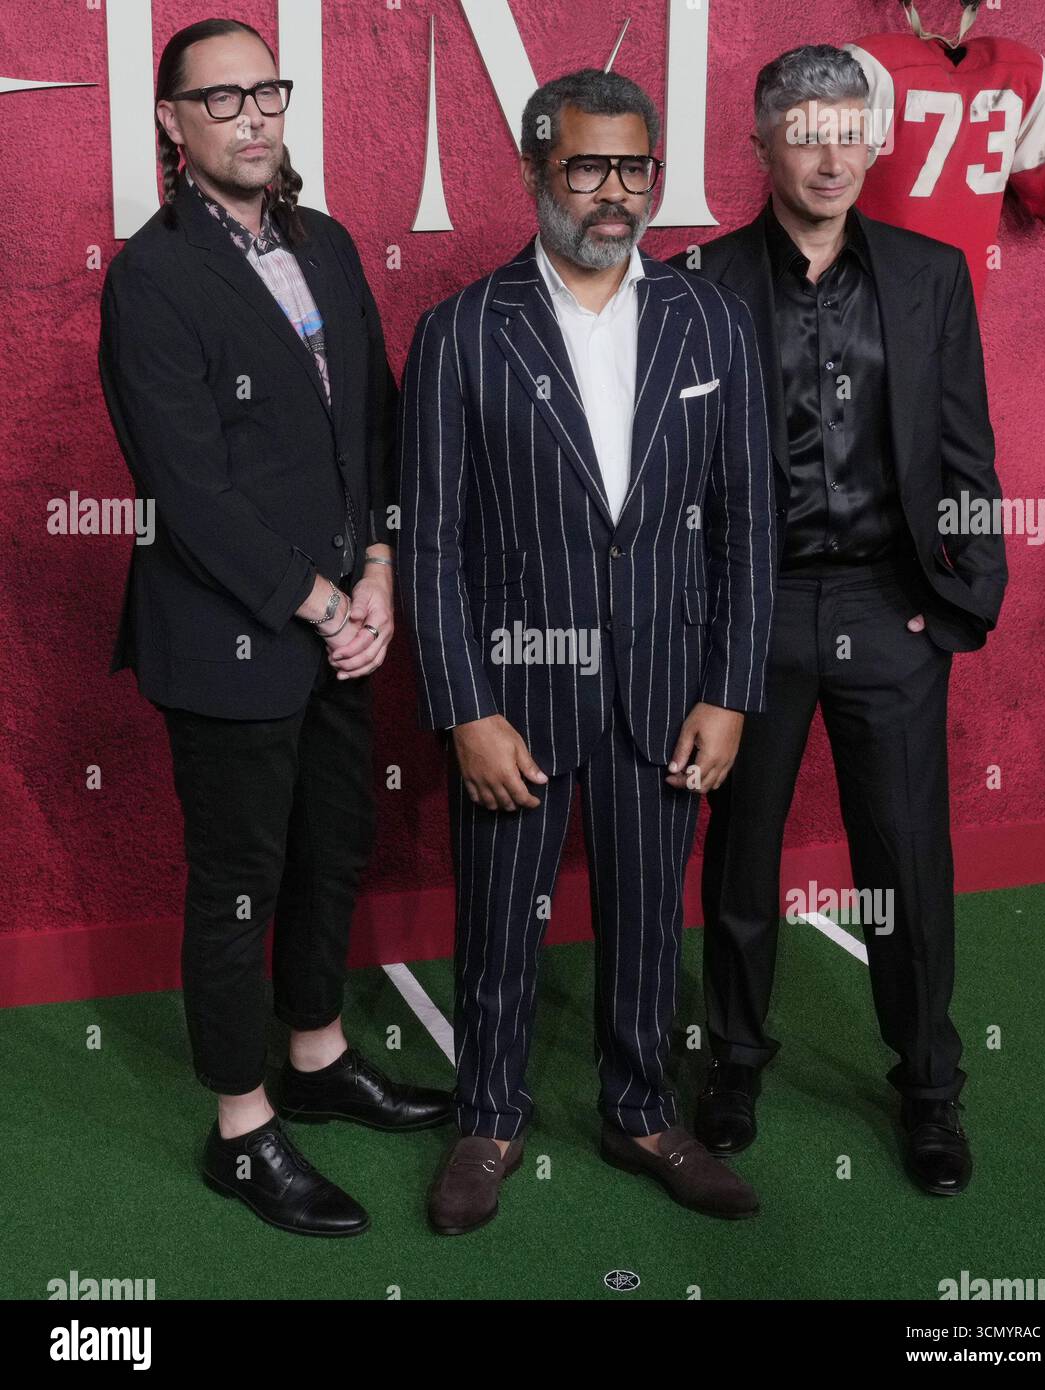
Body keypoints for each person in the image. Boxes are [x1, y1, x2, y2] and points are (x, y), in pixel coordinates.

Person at [398, 68, 776, 1235]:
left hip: (667, 693)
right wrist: (463, 707)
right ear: (532, 171)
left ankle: (638, 1108)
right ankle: (489, 1116)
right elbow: (432, 546)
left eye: (633, 169)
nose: (614, 194)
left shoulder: (709, 319)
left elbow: (749, 524)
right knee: (499, 920)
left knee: (647, 915)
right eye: (586, 167)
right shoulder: (461, 331)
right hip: (511, 692)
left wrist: (729, 689)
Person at [98, 17, 452, 1239]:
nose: (253, 115)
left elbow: (377, 424)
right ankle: (242, 1128)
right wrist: (318, 603)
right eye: (222, 98)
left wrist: (382, 569)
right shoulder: (151, 275)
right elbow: (188, 490)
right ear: (172, 123)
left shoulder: (329, 243)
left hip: (346, 618)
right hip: (235, 636)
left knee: (330, 849)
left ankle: (315, 1054)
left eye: (268, 91)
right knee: (239, 883)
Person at [670, 44, 1007, 1195]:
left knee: (905, 864)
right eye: (803, 129)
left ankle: (927, 1087)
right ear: (758, 142)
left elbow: (964, 447)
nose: (829, 151)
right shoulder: (697, 282)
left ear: (873, 141)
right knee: (739, 860)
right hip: (750, 612)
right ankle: (732, 1067)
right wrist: (695, 620)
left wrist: (958, 601)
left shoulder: (928, 275)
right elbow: (666, 470)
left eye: (847, 129)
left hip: (886, 606)